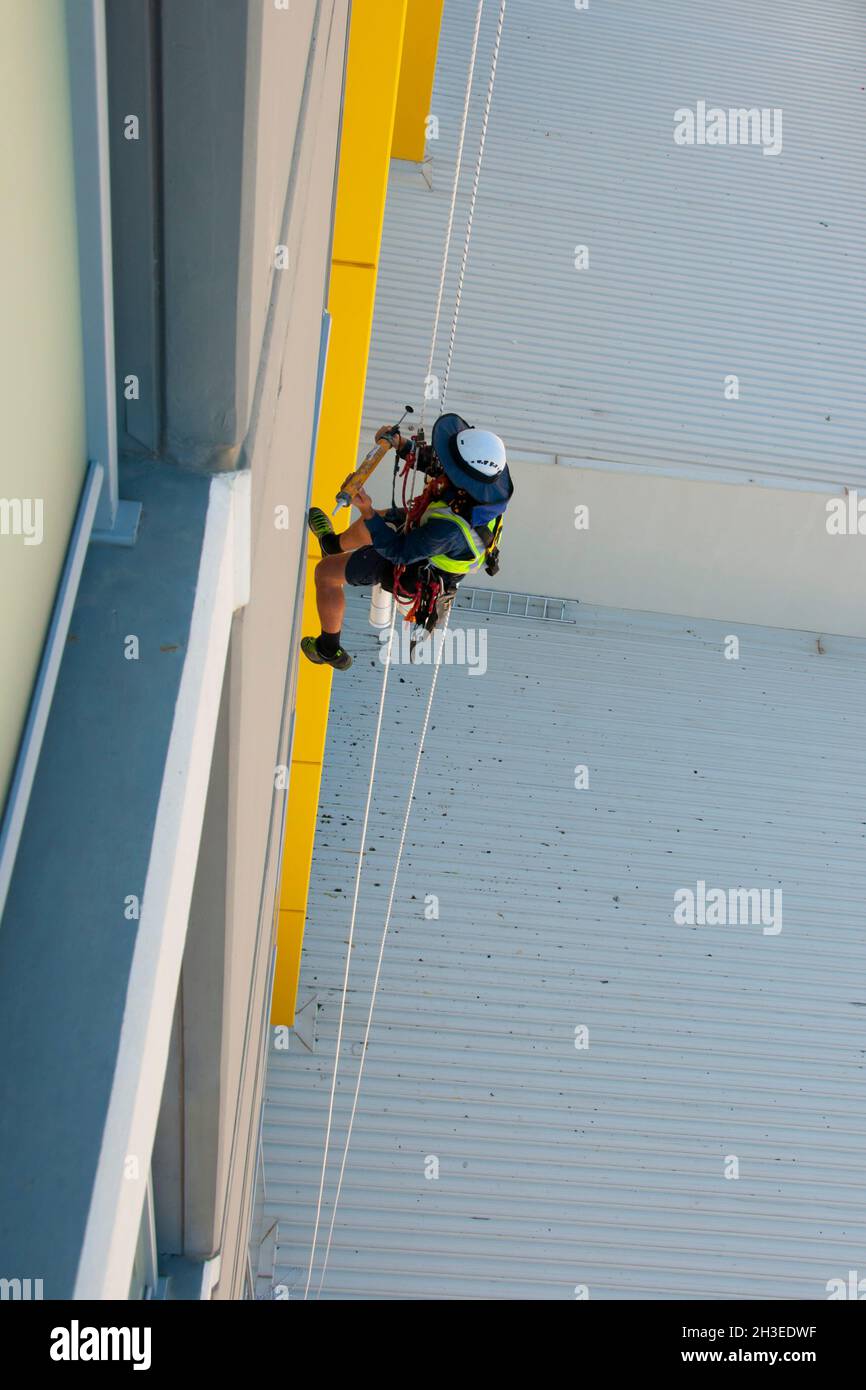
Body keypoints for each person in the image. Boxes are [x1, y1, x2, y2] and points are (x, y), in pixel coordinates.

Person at [301, 412, 513, 671]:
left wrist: (365, 509)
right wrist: (401, 445)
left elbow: (398, 551)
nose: (444, 463)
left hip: (414, 569)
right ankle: (331, 545)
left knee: (326, 574)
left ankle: (328, 649)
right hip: (427, 537)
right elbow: (439, 463)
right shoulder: (488, 482)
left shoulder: (450, 529)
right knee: (380, 520)